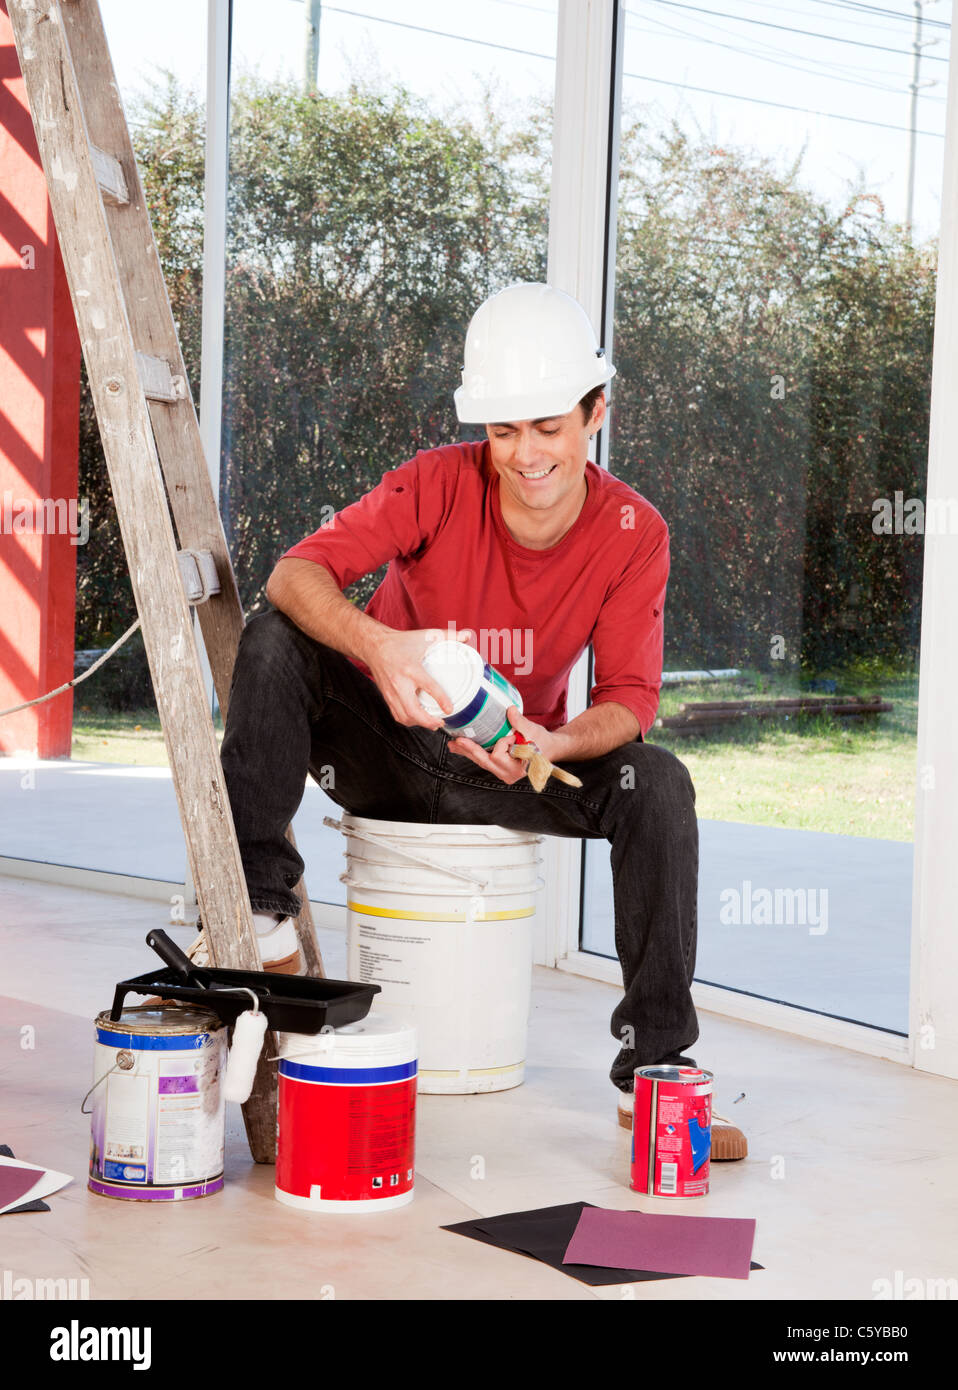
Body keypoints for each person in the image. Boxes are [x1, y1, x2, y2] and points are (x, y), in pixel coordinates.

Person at [212, 281, 739, 1143]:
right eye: (503, 431)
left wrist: (551, 739)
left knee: (659, 782)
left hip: (508, 771)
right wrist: (381, 648)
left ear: (594, 412)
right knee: (273, 638)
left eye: (548, 427)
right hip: (382, 748)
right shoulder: (437, 485)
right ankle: (261, 908)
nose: (525, 454)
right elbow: (292, 573)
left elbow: (632, 701)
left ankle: (654, 1071)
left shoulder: (634, 530)